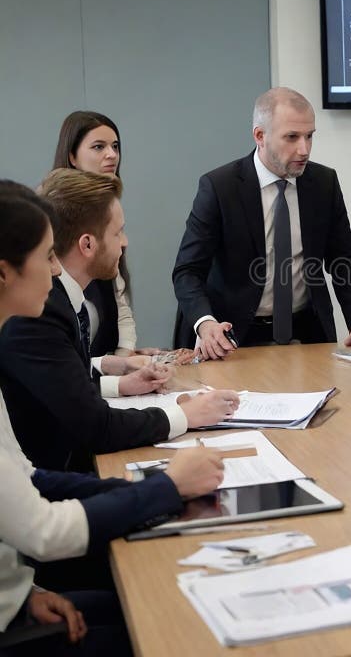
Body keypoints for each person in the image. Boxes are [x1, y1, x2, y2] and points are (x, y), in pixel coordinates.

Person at [0, 179, 225, 655]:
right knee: (175, 623)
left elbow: (28, 478)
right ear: (4, 273)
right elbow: (43, 530)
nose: (56, 269)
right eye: (46, 257)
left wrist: (157, 488)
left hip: (19, 594)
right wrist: (164, 488)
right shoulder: (31, 324)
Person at [0, 169, 239, 472]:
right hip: (54, 474)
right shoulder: (42, 311)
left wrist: (119, 384)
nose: (125, 242)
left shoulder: (66, 301)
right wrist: (186, 416)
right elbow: (97, 427)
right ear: (87, 245)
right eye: (118, 232)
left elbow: (61, 385)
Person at [173, 87, 351, 359]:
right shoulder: (220, 187)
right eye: (292, 137)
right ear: (260, 136)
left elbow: (345, 260)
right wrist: (205, 323)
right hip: (233, 338)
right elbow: (187, 271)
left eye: (309, 136)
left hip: (306, 334)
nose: (304, 149)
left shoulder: (323, 183)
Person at [53, 112, 194, 384]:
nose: (111, 155)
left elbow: (120, 301)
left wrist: (125, 359)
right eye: (99, 147)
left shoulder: (110, 203)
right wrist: (118, 368)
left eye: (115, 146)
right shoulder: (56, 214)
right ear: (72, 156)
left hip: (94, 374)